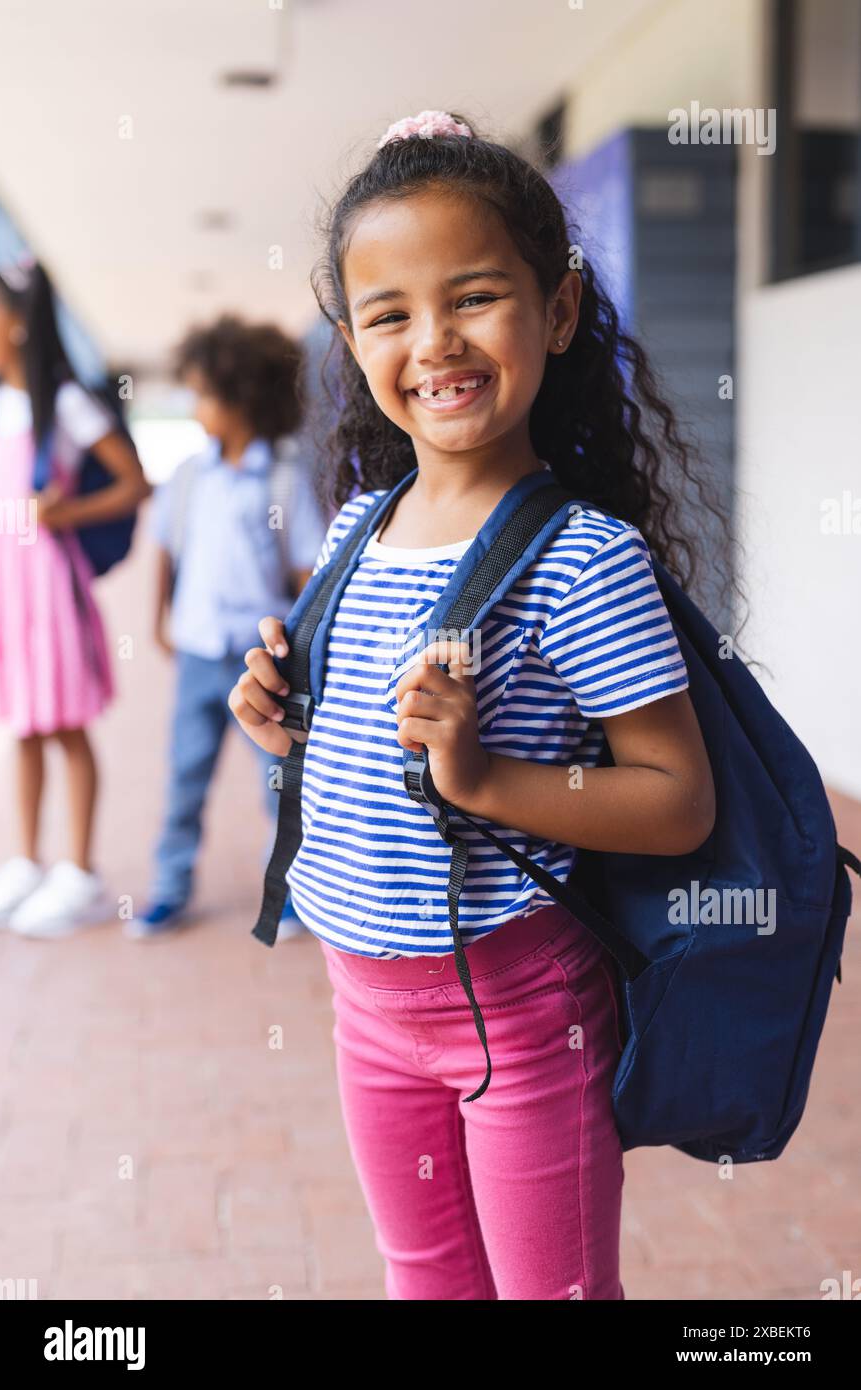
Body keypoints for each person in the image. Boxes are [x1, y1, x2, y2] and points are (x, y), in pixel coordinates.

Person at [228, 110, 728, 1300]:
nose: (434, 340)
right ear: (352, 343)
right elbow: (351, 736)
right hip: (364, 1002)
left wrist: (486, 778)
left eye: (474, 296)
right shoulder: (358, 526)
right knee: (427, 1277)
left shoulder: (583, 556)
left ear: (556, 311)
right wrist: (281, 720)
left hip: (520, 1012)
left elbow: (678, 803)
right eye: (390, 314)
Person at [131, 314, 327, 940]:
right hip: (196, 652)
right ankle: (169, 887)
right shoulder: (189, 477)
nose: (195, 408)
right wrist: (157, 622)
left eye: (202, 394)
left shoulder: (286, 479)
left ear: (242, 397)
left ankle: (294, 894)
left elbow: (306, 573)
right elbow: (164, 551)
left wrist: (303, 655)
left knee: (277, 779)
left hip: (259, 660)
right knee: (184, 774)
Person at [0, 255, 151, 938]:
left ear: (18, 322)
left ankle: (80, 874)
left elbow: (133, 482)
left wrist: (63, 516)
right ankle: (28, 862)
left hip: (47, 584)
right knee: (24, 725)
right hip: (6, 583)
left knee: (64, 723)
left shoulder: (59, 400)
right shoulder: (2, 402)